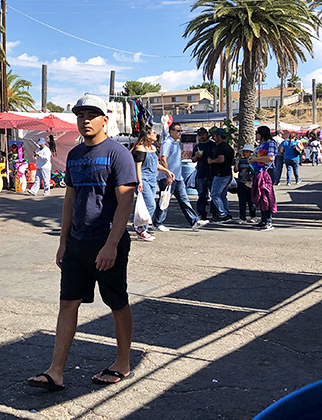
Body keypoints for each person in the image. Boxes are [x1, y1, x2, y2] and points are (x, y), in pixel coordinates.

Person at [27, 93, 138, 391]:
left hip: (107, 242)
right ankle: (56, 371)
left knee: (116, 302)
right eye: (80, 115)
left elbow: (126, 201)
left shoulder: (118, 154)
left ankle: (123, 363)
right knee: (67, 303)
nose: (85, 120)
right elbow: (70, 199)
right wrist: (63, 241)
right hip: (77, 243)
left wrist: (112, 244)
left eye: (92, 114)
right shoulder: (75, 156)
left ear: (105, 119)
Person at [152, 123, 206, 232]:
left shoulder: (176, 143)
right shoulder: (168, 143)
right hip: (168, 178)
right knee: (164, 200)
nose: (180, 133)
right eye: (178, 131)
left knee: (184, 199)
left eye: (181, 131)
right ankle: (157, 223)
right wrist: (168, 175)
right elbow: (163, 159)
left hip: (178, 177)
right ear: (171, 132)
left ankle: (194, 221)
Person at [131, 126, 173, 241]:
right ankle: (141, 229)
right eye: (153, 133)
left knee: (150, 204)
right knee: (151, 204)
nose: (156, 135)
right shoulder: (140, 148)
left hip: (152, 180)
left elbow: (156, 164)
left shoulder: (154, 148)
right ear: (147, 135)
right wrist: (139, 182)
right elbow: (137, 167)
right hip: (143, 179)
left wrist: (167, 172)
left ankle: (142, 227)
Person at [250, 125, 277, 230]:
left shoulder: (270, 144)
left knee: (267, 196)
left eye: (257, 133)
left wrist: (255, 160)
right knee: (260, 196)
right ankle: (263, 219)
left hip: (266, 172)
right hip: (258, 172)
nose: (256, 135)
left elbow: (270, 158)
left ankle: (268, 221)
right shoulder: (262, 145)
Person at [207, 127, 235, 223]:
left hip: (221, 174)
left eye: (215, 136)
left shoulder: (220, 147)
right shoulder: (229, 147)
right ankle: (227, 213)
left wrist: (212, 161)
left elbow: (221, 159)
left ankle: (222, 214)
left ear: (219, 136)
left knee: (215, 194)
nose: (214, 137)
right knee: (222, 195)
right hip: (227, 173)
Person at [191, 128, 216, 220]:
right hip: (201, 173)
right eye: (200, 135)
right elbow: (192, 160)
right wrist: (196, 156)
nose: (202, 136)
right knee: (201, 195)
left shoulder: (212, 145)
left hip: (212, 173)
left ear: (207, 134)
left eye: (203, 134)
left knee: (214, 194)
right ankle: (201, 213)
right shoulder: (197, 146)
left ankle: (214, 213)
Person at [235, 144, 257, 223]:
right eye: (244, 152)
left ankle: (253, 216)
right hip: (241, 182)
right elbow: (235, 170)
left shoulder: (254, 161)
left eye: (247, 152)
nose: (245, 153)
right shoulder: (241, 160)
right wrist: (236, 164)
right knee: (242, 201)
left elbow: (255, 171)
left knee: (251, 201)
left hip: (250, 183)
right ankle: (242, 217)